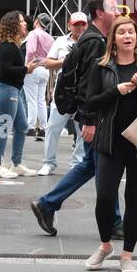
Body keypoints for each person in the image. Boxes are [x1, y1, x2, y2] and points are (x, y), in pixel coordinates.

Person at [80, 16, 137, 272]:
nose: (127, 36)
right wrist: (116, 90)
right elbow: (89, 103)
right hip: (110, 139)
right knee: (105, 196)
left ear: (136, 37)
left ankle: (127, 256)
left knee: (134, 197)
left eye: (131, 32)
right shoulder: (102, 66)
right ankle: (105, 245)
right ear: (114, 39)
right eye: (122, 33)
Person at [30, 0, 119, 236]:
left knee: (92, 165)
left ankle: (47, 204)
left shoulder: (94, 38)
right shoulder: (95, 41)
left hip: (90, 114)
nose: (118, 11)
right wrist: (89, 120)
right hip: (94, 116)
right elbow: (90, 84)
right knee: (104, 166)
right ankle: (114, 221)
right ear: (100, 13)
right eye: (114, 8)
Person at [38, 12, 89, 175]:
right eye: (76, 25)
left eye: (83, 24)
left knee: (81, 129)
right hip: (63, 91)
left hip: (84, 90)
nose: (80, 27)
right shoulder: (60, 41)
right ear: (69, 26)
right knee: (53, 127)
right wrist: (67, 61)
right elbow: (48, 63)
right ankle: (48, 163)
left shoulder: (92, 42)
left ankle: (77, 163)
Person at [0, 11, 37, 178]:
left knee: (22, 126)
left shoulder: (10, 45)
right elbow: (6, 70)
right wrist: (26, 69)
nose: (25, 24)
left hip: (10, 89)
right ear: (14, 25)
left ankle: (16, 163)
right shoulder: (8, 46)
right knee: (5, 126)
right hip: (5, 89)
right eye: (22, 21)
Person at [22, 13, 54, 139]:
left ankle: (30, 127)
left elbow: (30, 51)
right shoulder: (50, 37)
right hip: (45, 69)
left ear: (36, 21)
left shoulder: (33, 34)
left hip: (33, 68)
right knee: (41, 100)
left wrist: (28, 65)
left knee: (31, 101)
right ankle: (43, 128)